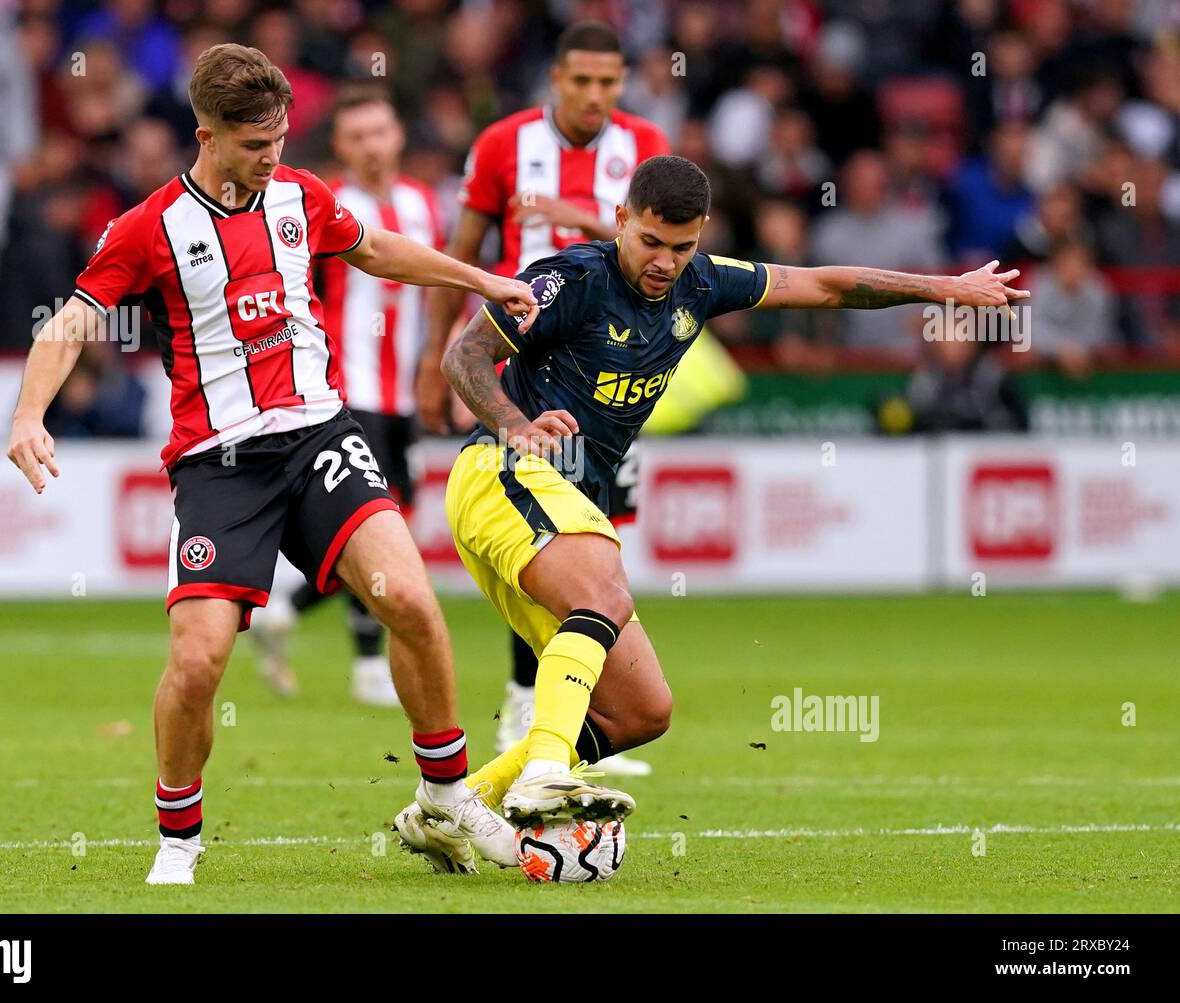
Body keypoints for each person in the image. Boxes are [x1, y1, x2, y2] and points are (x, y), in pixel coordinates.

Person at [397, 154, 1028, 870]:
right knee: (605, 590)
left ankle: (448, 809)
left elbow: (827, 285)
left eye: (682, 246)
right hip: (502, 471)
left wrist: (946, 287)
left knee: (640, 709)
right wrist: (516, 422)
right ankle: (544, 772)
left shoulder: (703, 283)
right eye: (651, 242)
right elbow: (465, 357)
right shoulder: (571, 279)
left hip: (563, 495)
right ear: (622, 221)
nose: (665, 262)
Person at [6, 44, 538, 885]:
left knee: (410, 599)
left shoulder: (302, 195)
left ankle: (444, 798)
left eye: (282, 138)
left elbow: (378, 252)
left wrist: (483, 279)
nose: (273, 156)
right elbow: (71, 319)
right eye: (256, 144)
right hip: (221, 466)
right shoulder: (148, 227)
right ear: (206, 135)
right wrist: (29, 414)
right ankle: (178, 835)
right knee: (197, 663)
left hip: (322, 436)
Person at [418, 21, 668, 776]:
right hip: (523, 358)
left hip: (612, 365)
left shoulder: (646, 144)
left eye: (608, 82)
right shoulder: (501, 145)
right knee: (546, 537)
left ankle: (561, 704)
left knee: (598, 537)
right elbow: (461, 255)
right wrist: (436, 358)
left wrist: (590, 221)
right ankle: (529, 708)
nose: (595, 95)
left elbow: (656, 241)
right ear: (556, 79)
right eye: (581, 80)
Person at [248, 86, 443, 706]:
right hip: (347, 390)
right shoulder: (323, 207)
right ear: (339, 147)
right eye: (357, 137)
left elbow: (435, 289)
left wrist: (438, 369)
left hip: (405, 394)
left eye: (380, 132)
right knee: (372, 525)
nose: (372, 147)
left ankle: (290, 608)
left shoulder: (420, 204)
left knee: (394, 523)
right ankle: (367, 666)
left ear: (399, 136)